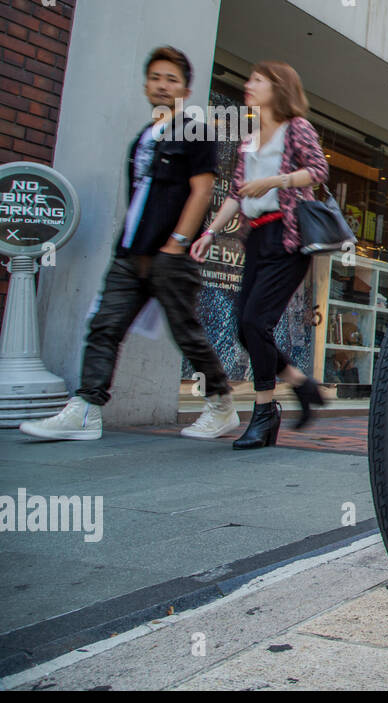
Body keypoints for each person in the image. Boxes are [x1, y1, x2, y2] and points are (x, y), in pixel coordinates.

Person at [21, 48, 236, 442]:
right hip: (130, 254)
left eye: (171, 78)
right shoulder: (144, 137)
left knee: (187, 334)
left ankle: (221, 404)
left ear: (186, 87)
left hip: (169, 255)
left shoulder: (196, 129)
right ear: (145, 85)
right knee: (104, 327)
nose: (162, 85)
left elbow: (202, 189)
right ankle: (86, 408)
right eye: (155, 77)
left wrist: (177, 243)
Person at [189, 61, 329, 449]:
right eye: (249, 78)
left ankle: (264, 411)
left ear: (279, 87)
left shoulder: (296, 128)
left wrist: (276, 180)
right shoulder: (250, 136)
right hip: (258, 238)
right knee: (244, 328)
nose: (248, 84)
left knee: (255, 321)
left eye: (258, 80)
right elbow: (236, 193)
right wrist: (209, 233)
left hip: (288, 238)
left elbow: (318, 170)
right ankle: (301, 385)